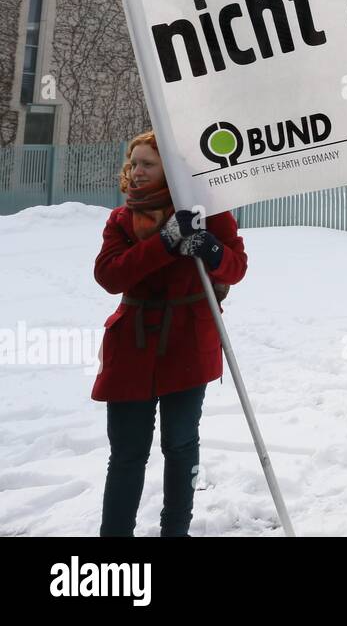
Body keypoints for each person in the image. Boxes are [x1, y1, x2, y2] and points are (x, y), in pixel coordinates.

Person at [92, 130, 248, 536]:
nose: (136, 171)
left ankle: (175, 530)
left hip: (188, 346)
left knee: (180, 446)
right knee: (126, 453)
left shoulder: (208, 211)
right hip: (133, 345)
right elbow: (110, 275)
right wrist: (165, 241)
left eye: (148, 164)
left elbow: (236, 268)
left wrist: (210, 248)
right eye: (134, 162)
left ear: (170, 172)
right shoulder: (123, 218)